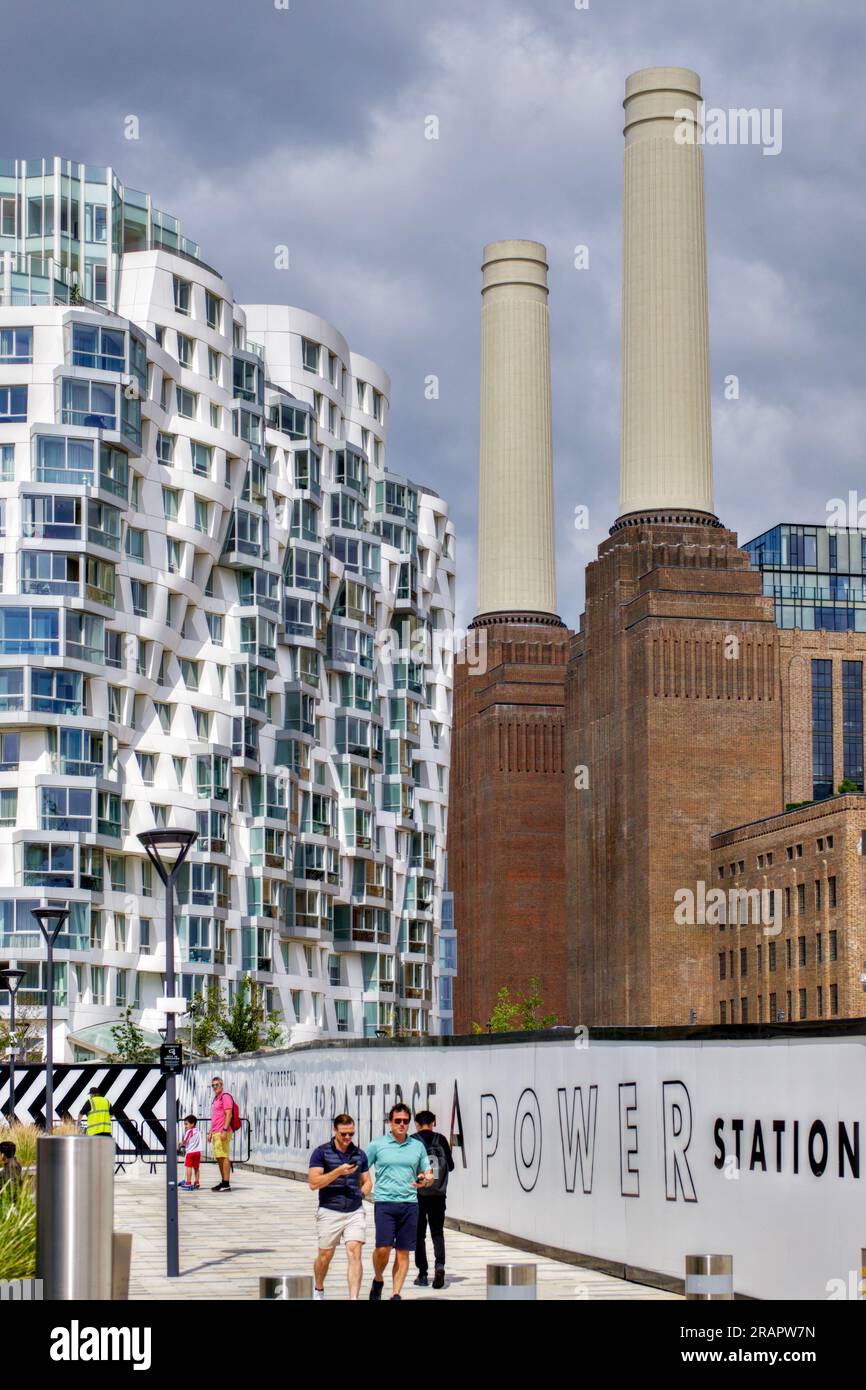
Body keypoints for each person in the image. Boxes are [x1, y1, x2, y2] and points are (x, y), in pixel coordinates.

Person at [365, 1103, 433, 1301]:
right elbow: (362, 1167)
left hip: (410, 1204)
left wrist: (426, 1179)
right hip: (385, 1203)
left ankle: (396, 1294)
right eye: (398, 1121)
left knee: (403, 1252)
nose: (402, 1124)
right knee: (383, 1249)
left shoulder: (417, 1146)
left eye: (405, 1121)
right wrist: (365, 1184)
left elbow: (428, 1173)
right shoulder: (377, 1144)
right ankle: (378, 1279)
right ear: (390, 1122)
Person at [308, 1113, 371, 1300]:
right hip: (329, 1209)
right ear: (335, 1130)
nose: (347, 1138)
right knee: (325, 1255)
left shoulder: (360, 1154)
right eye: (343, 1134)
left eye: (351, 1134)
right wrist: (337, 1171)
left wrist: (361, 1194)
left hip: (354, 1210)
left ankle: (354, 1298)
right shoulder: (321, 1152)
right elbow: (313, 1183)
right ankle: (318, 1288)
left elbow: (367, 1181)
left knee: (354, 1251)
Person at [412, 1110, 455, 1289]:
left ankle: (422, 1274)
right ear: (434, 1122)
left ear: (416, 1123)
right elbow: (450, 1166)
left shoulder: (412, 1140)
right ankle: (440, 1266)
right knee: (437, 1233)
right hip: (438, 1195)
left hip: (418, 1195)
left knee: (419, 1235)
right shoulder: (441, 1139)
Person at [207, 1076, 237, 1192]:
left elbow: (228, 1114)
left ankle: (226, 1183)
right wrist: (210, 1132)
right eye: (213, 1085)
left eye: (217, 1085)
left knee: (224, 1156)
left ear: (222, 1085)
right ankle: (223, 1181)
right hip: (216, 1132)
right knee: (219, 1157)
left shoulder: (225, 1097)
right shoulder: (216, 1098)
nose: (215, 1087)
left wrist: (224, 1130)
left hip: (223, 1131)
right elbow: (215, 1117)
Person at [179, 1114, 202, 1190]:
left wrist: (181, 1144)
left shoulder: (189, 1131)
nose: (185, 1126)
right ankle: (197, 1182)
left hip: (190, 1152)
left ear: (192, 1124)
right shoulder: (198, 1131)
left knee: (189, 1167)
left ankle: (188, 1183)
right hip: (198, 1152)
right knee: (196, 1168)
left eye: (186, 1124)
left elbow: (185, 1141)